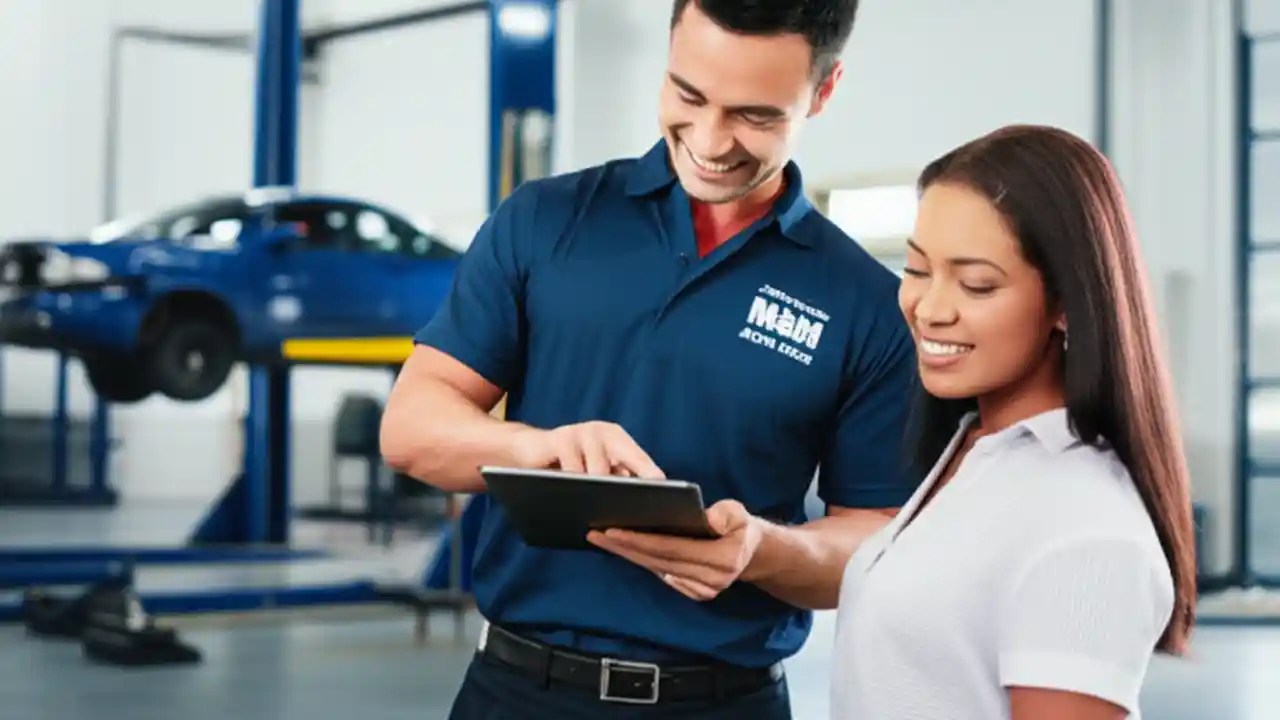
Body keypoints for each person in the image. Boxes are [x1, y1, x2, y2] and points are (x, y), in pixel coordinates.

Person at [380, 0, 919, 717]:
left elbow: (872, 543)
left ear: (823, 91)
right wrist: (541, 448)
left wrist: (761, 551)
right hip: (518, 694)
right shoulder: (544, 221)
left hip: (725, 703)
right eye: (688, 95)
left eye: (755, 116)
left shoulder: (867, 303)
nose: (709, 138)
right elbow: (412, 431)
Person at [822, 124, 1198, 719]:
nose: (929, 309)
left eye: (976, 284)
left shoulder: (1086, 527)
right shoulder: (974, 448)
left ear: (1068, 304)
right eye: (917, 270)